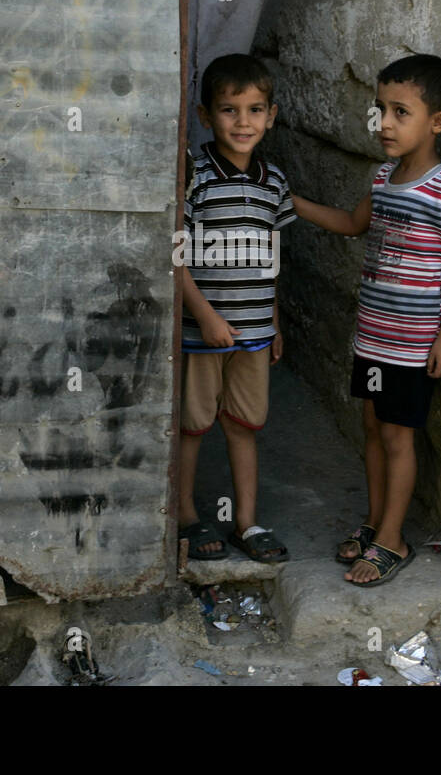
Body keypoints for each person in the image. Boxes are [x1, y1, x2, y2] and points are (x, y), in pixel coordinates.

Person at [292, 54, 441, 586]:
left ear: (437, 122)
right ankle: (374, 523)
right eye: (380, 110)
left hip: (414, 342)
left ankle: (393, 539)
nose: (385, 124)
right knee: (371, 426)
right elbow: (352, 224)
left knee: (398, 436)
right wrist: (292, 201)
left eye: (400, 112)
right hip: (373, 331)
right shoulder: (381, 177)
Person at [176, 54, 295, 562]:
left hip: (253, 333)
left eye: (254, 110)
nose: (242, 122)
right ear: (206, 116)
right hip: (200, 331)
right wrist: (204, 315)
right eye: (229, 110)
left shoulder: (274, 182)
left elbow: (271, 257)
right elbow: (174, 253)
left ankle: (246, 522)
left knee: (244, 425)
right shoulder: (195, 176)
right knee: (191, 425)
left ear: (271, 115)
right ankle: (183, 515)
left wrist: (273, 322)